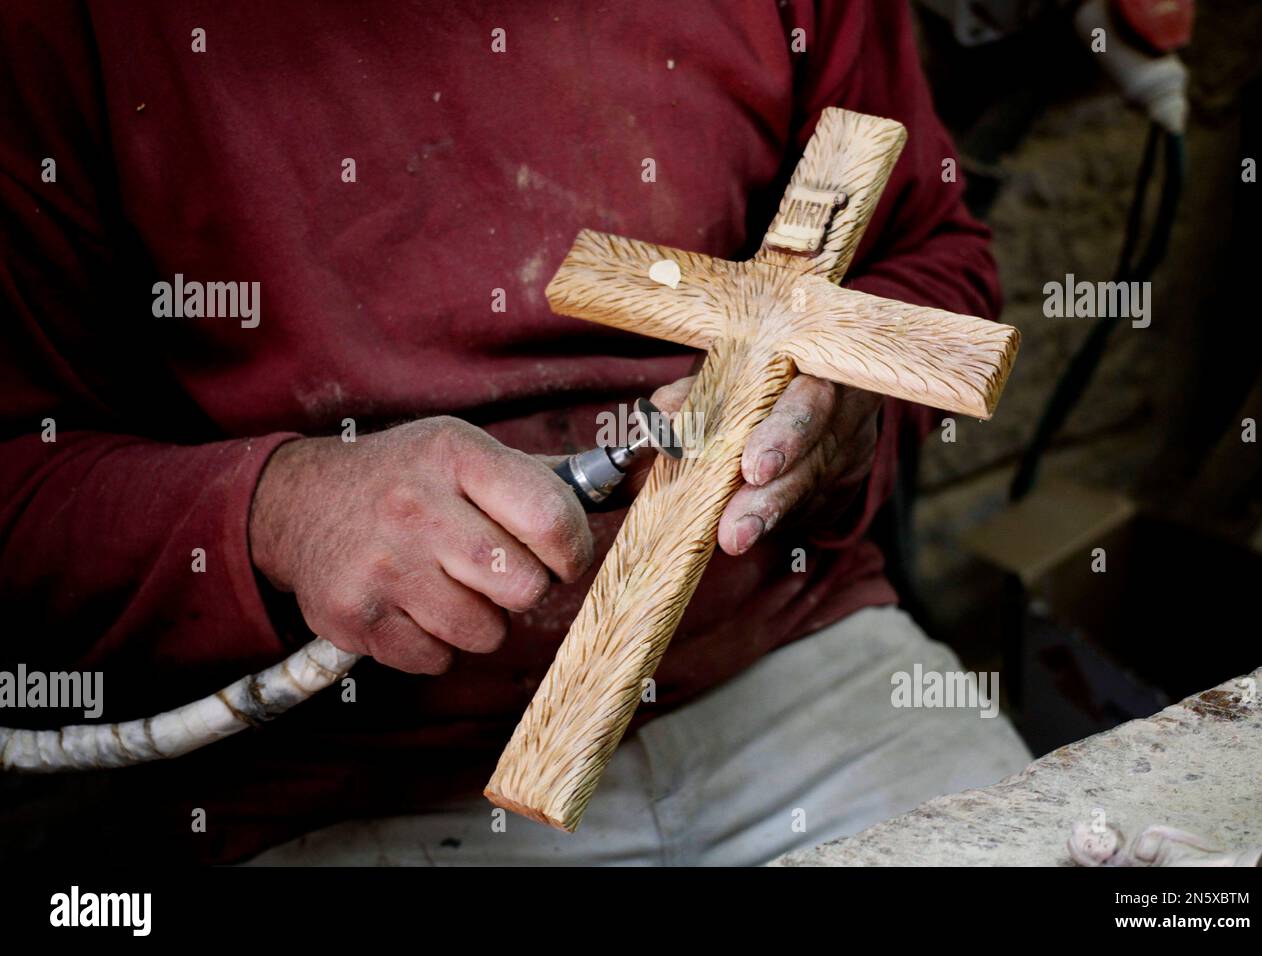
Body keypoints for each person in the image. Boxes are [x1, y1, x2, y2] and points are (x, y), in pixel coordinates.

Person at [0, 0, 1029, 865]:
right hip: (349, 782)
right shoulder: (68, 30)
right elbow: (19, 482)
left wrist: (839, 385)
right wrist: (277, 509)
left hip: (799, 665)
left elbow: (931, 254)